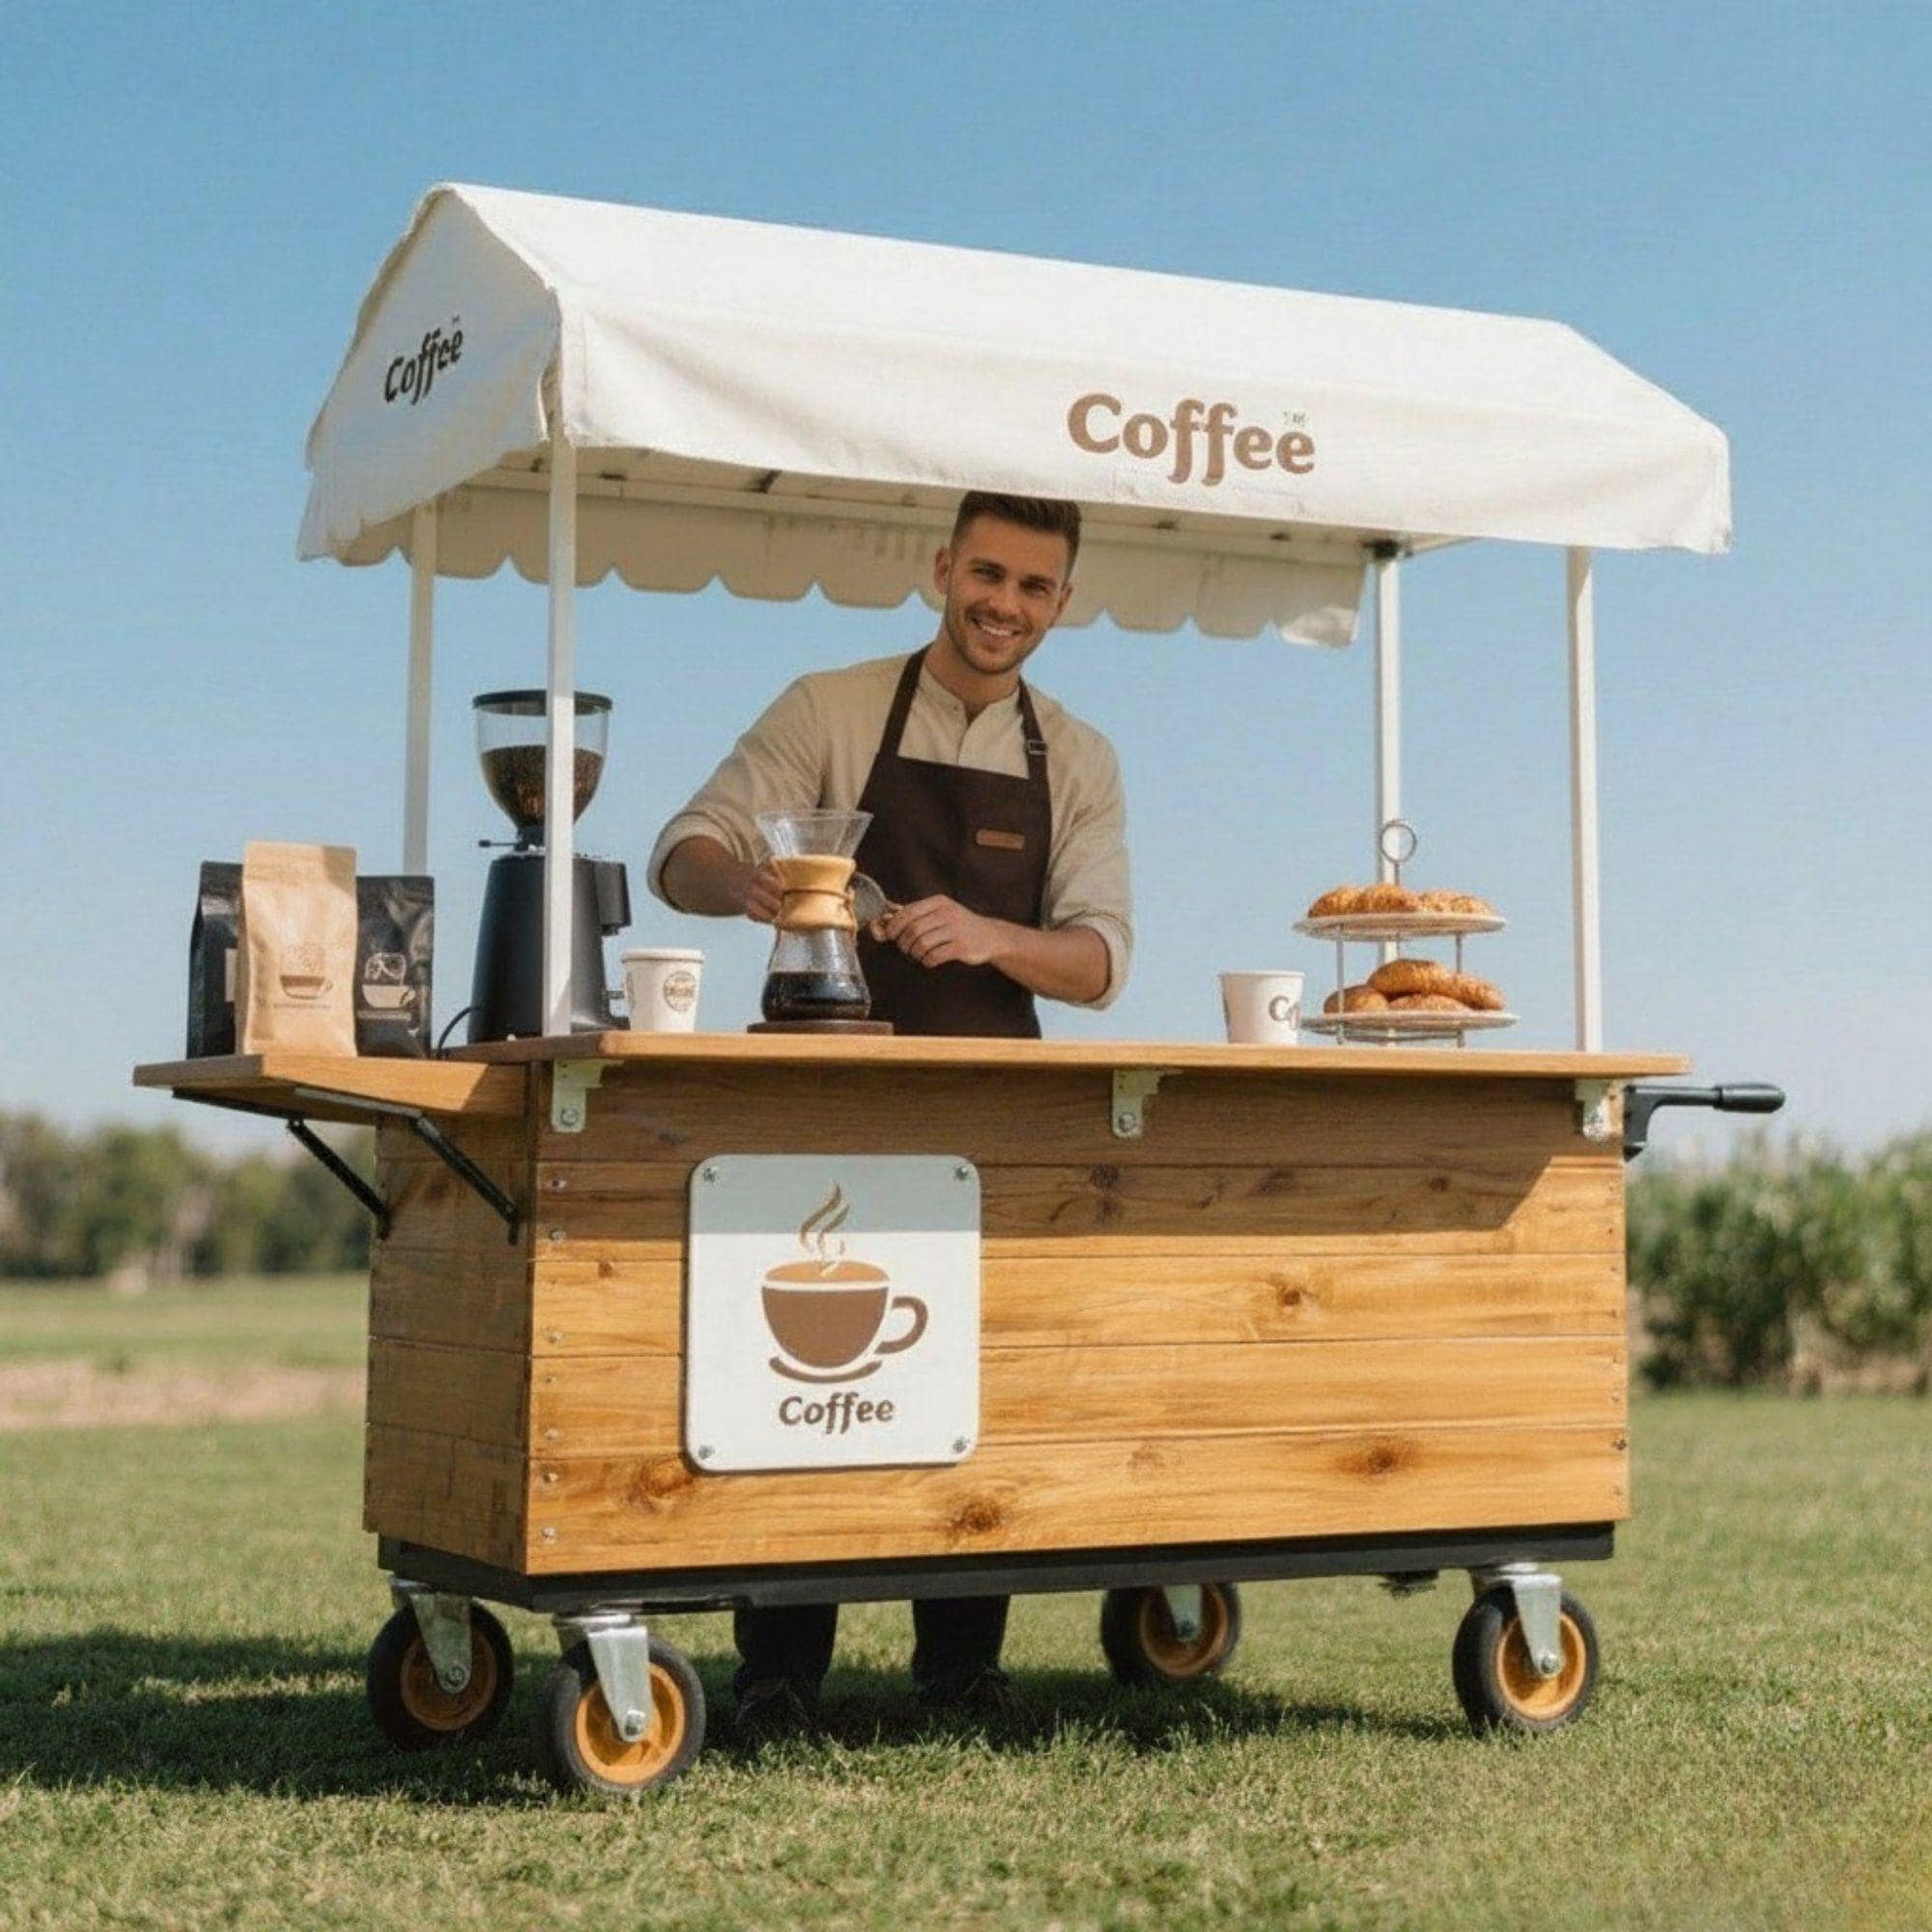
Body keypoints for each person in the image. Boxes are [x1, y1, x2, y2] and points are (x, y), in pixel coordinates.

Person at [648, 491, 1132, 1733]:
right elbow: (681, 849)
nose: (1003, 604)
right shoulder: (831, 707)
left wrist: (988, 934)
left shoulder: (1076, 756)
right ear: (941, 567)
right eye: (986, 574)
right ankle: (776, 1673)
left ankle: (960, 1667)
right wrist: (754, 884)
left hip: (988, 1105)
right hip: (822, 1096)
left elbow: (1097, 960)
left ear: (1061, 602)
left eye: (1032, 585)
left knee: (971, 1379)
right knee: (799, 1385)